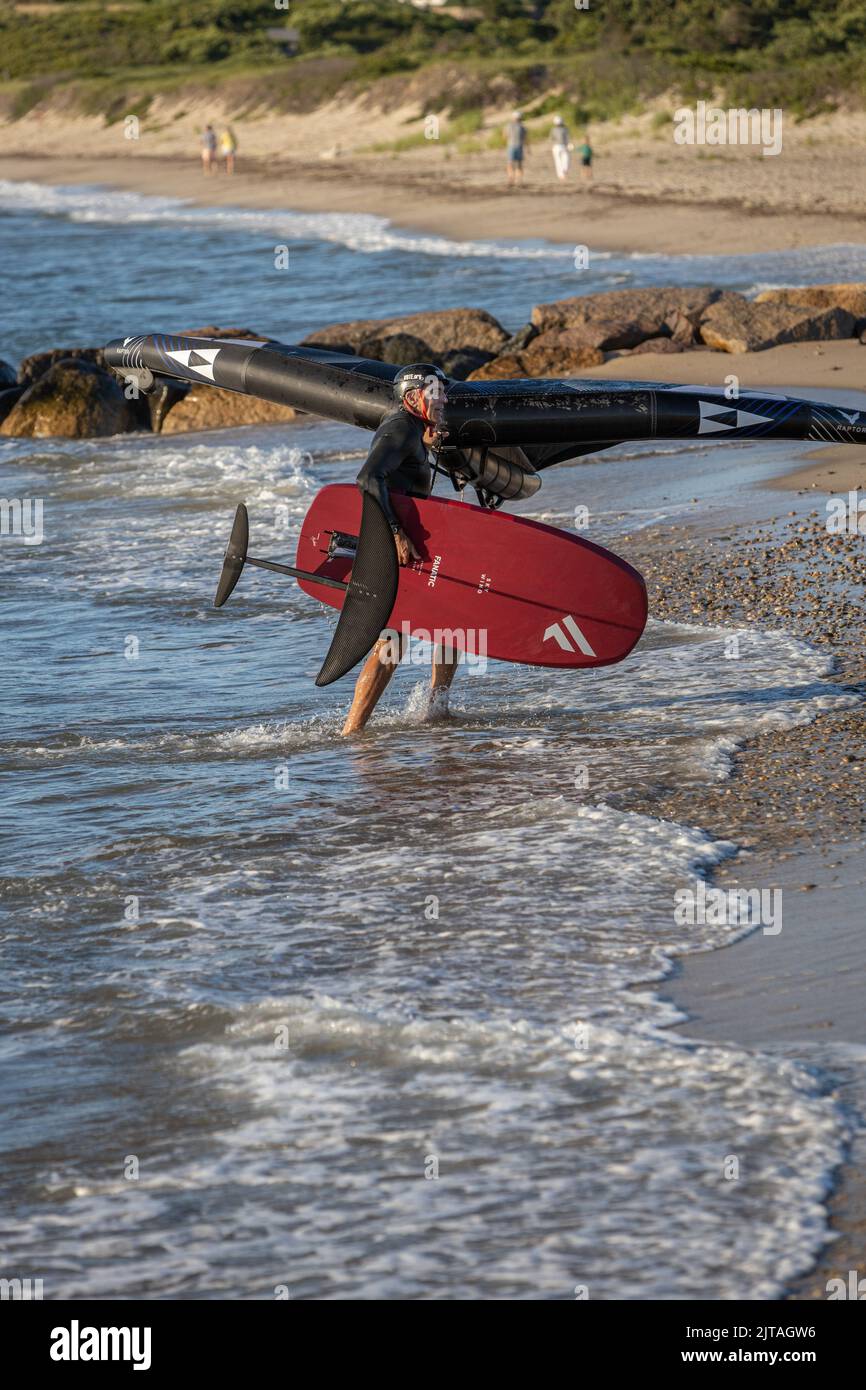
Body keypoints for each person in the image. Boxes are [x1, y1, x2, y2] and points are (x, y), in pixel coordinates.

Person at [341, 365, 459, 736]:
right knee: (393, 638)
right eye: (435, 392)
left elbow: (399, 478)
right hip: (397, 547)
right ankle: (352, 731)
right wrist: (394, 532)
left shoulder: (410, 430)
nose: (443, 399)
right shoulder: (397, 428)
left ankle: (436, 709)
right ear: (412, 398)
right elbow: (368, 478)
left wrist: (422, 445)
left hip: (413, 545)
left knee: (449, 625)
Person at [506, 110, 527, 187]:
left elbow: (505, 135)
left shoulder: (520, 126)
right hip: (516, 146)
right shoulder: (521, 126)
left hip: (514, 146)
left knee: (514, 164)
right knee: (515, 164)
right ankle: (515, 180)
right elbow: (525, 138)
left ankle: (515, 180)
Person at [550, 115, 572, 181]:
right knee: (565, 159)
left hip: (557, 147)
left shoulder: (553, 129)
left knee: (558, 161)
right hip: (562, 146)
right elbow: (568, 138)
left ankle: (561, 175)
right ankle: (563, 173)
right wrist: (569, 144)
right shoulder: (565, 129)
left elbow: (551, 139)